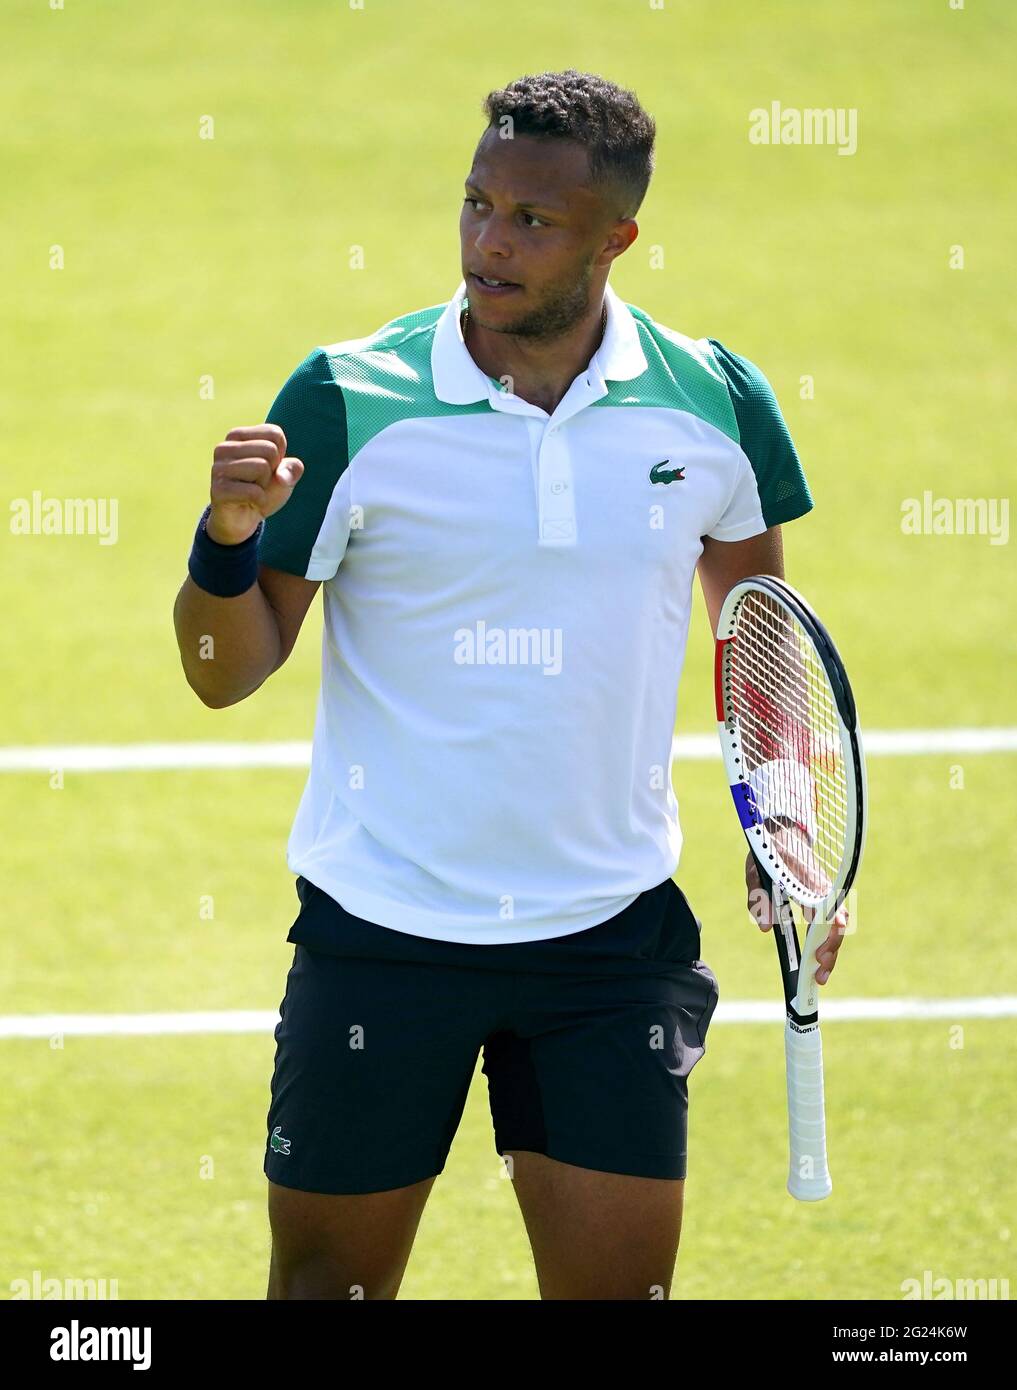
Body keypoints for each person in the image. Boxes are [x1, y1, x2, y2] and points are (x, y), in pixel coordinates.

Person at [173, 69, 847, 1300]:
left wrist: (790, 826)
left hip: (609, 942)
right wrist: (224, 540)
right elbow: (224, 673)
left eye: (532, 220)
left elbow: (761, 645)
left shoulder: (716, 405)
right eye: (477, 203)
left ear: (617, 239)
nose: (490, 240)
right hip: (384, 933)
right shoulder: (345, 399)